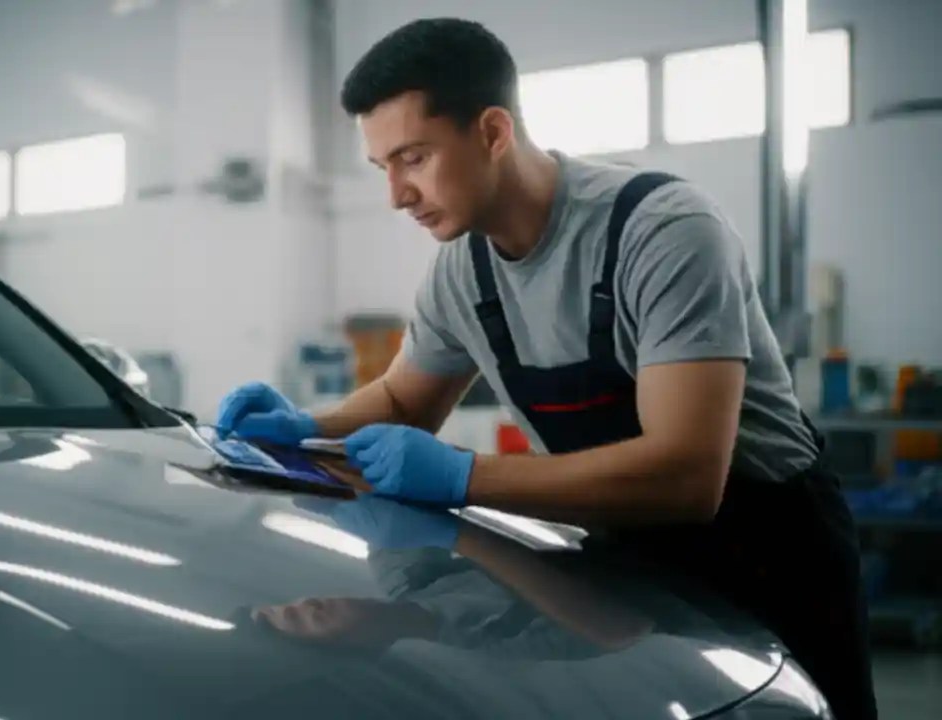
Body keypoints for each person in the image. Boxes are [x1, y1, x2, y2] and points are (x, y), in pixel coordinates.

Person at [215, 17, 876, 719]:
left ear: (493, 132)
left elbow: (687, 477)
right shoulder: (462, 272)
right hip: (620, 557)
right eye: (384, 168)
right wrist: (299, 427)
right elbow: (407, 403)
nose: (397, 196)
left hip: (772, 555)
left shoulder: (663, 233)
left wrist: (462, 477)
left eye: (414, 157)